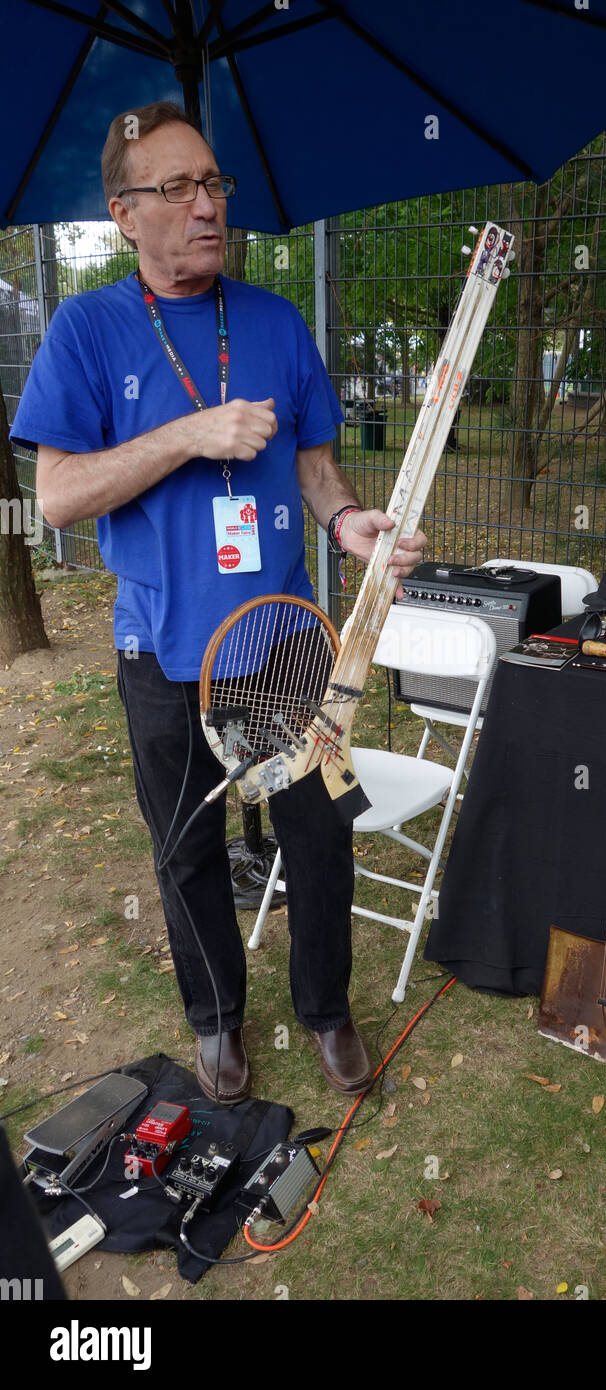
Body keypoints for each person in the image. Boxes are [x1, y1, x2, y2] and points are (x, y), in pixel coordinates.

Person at [11, 101, 426, 1105]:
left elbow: (317, 468)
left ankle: (326, 1008)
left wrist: (347, 526)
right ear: (124, 213)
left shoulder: (276, 322)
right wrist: (187, 435)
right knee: (186, 849)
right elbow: (57, 494)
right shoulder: (87, 327)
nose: (207, 207)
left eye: (213, 184)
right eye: (178, 189)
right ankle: (216, 1022)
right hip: (161, 652)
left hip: (283, 646)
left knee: (321, 838)